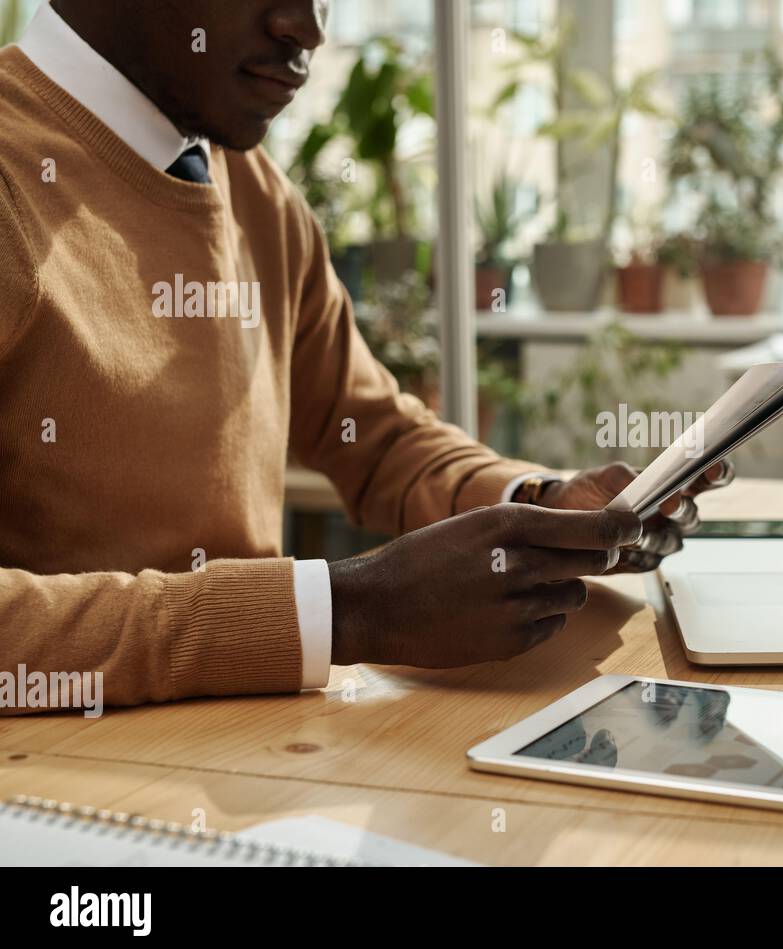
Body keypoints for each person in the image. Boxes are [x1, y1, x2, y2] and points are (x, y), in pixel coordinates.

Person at [0, 0, 731, 712]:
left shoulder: (252, 190)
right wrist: (342, 611)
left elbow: (373, 436)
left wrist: (538, 505)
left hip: (243, 750)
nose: (307, 28)